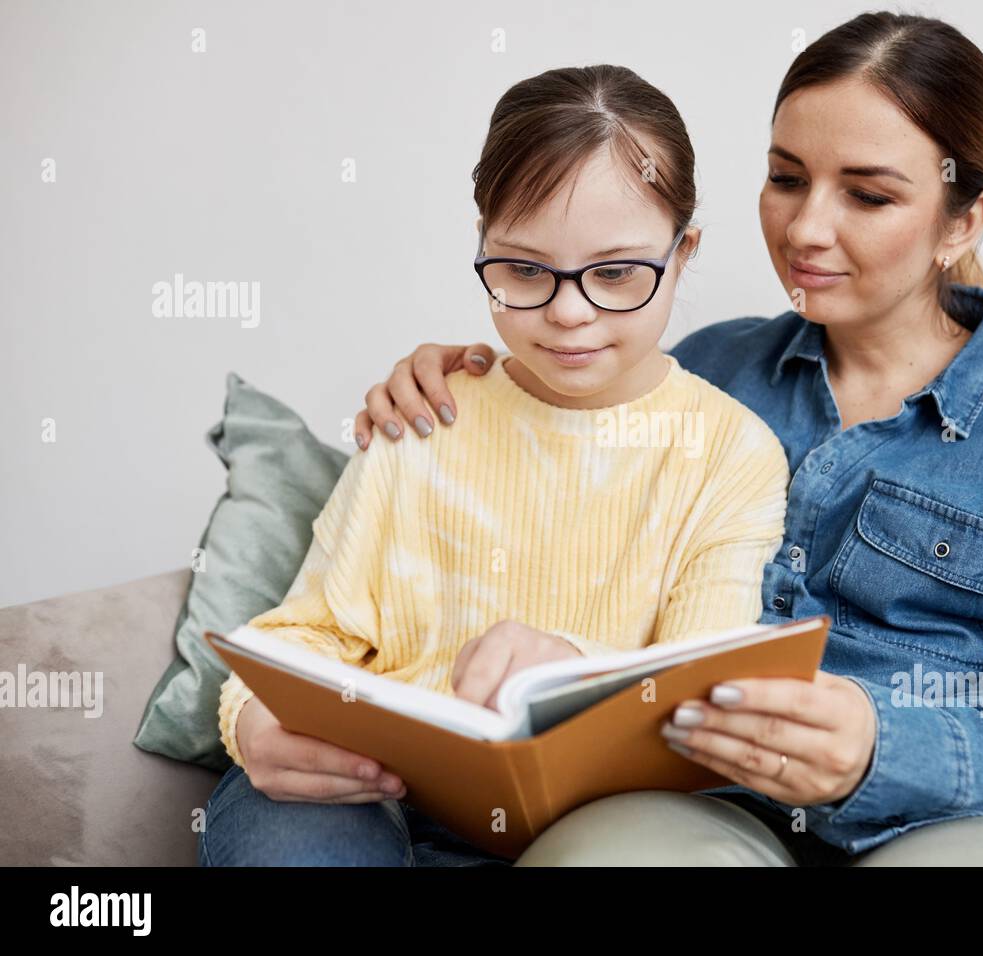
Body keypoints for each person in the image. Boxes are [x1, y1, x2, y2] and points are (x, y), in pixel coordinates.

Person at [354, 12, 983, 867]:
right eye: (786, 177)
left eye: (868, 195)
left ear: (963, 221)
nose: (805, 229)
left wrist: (882, 746)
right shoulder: (702, 371)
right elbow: (549, 501)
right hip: (715, 809)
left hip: (976, 820)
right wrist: (465, 381)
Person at [198, 63, 800, 866]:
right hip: (367, 791)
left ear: (683, 253)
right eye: (523, 269)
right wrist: (250, 720)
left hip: (587, 823)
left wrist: (575, 671)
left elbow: (698, 690)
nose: (568, 312)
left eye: (616, 273)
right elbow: (307, 631)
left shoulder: (731, 453)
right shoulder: (429, 411)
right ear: (482, 243)